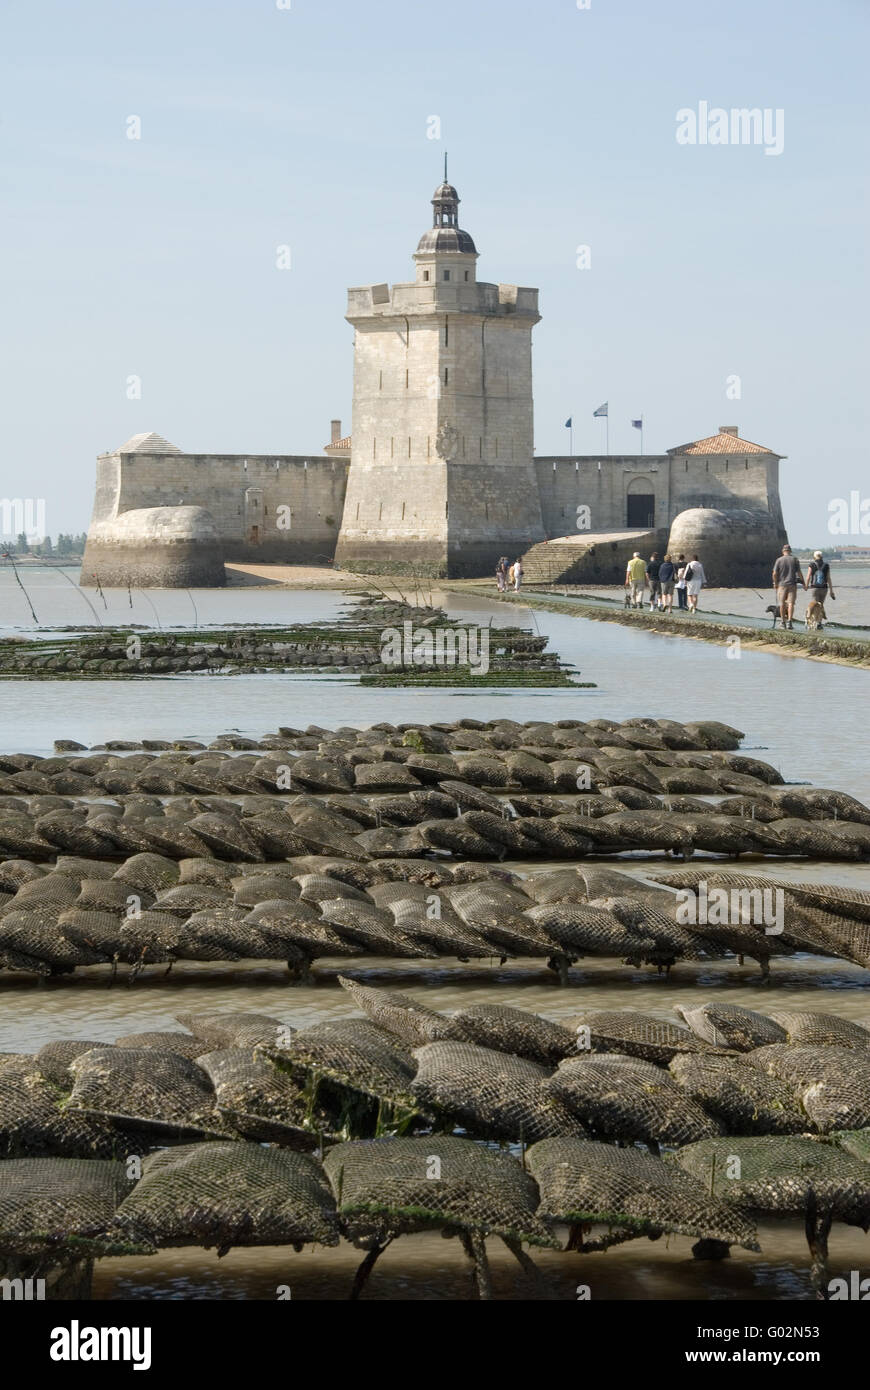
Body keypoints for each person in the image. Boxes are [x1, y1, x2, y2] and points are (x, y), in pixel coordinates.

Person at [771, 543, 804, 630]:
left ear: (783, 551)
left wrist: (775, 583)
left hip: (781, 585)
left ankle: (783, 623)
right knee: (791, 604)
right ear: (790, 551)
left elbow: (774, 573)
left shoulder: (779, 560)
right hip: (792, 585)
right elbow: (799, 573)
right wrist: (803, 582)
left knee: (782, 604)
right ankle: (789, 622)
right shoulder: (795, 560)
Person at [805, 549, 835, 628]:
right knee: (821, 605)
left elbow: (808, 576)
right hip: (824, 588)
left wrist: (806, 586)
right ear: (821, 556)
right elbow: (829, 578)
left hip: (815, 588)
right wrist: (831, 591)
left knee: (814, 603)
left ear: (814, 556)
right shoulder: (826, 565)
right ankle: (819, 623)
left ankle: (812, 619)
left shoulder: (812, 564)